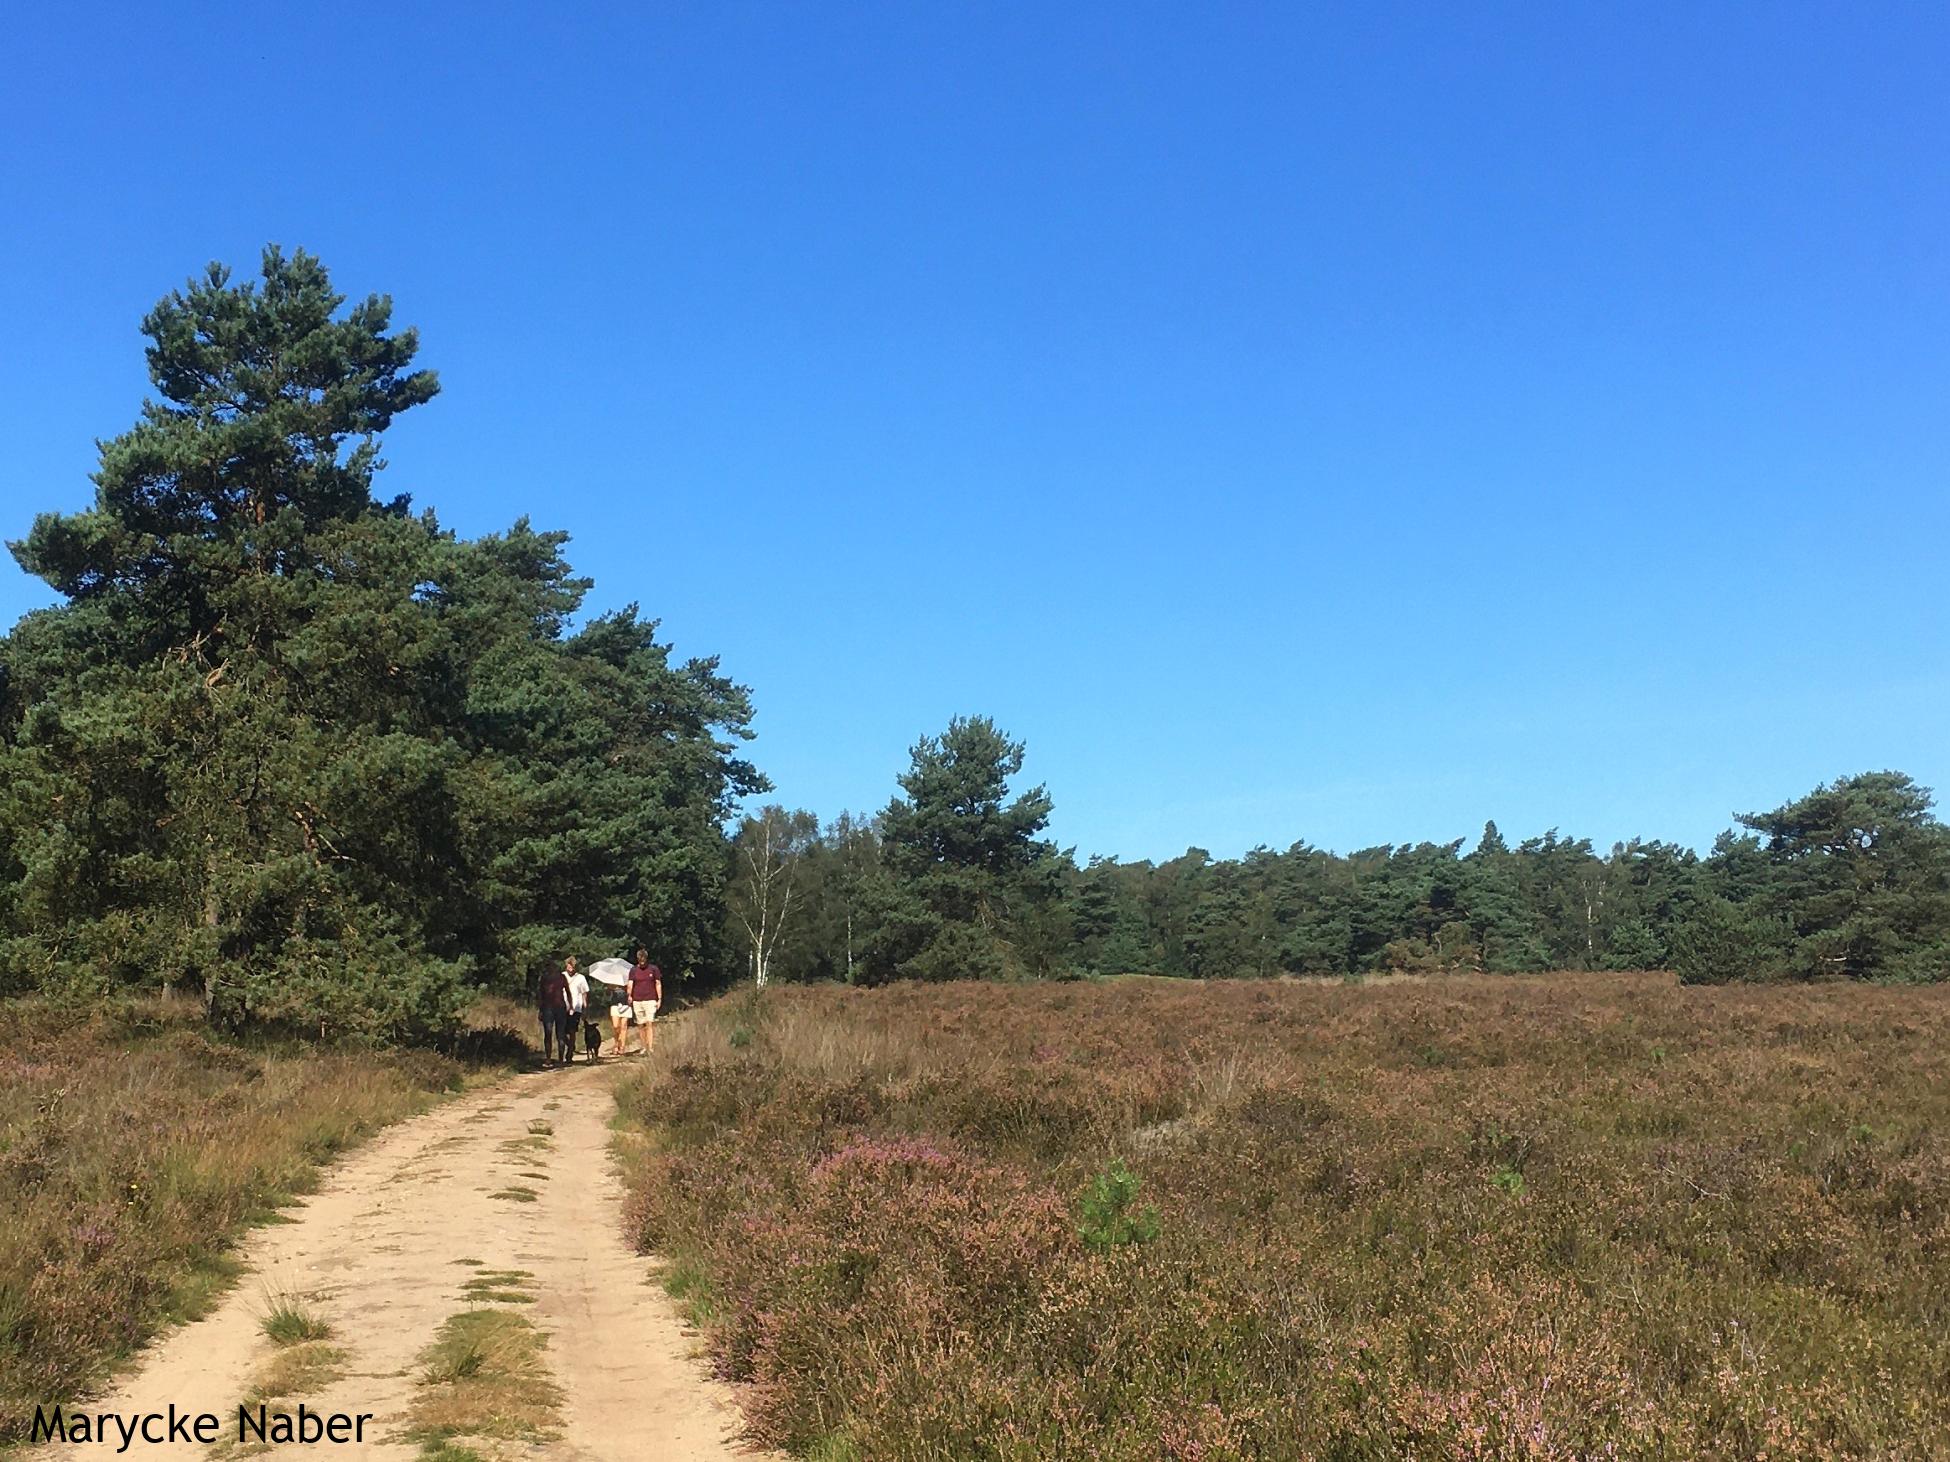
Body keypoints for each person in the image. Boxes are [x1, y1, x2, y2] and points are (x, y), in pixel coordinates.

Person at [535, 961, 572, 1066]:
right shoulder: (545, 978)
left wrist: (570, 1005)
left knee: (559, 1034)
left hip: (558, 1008)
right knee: (549, 1033)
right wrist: (540, 1009)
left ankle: (560, 1059)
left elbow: (568, 991)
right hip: (549, 1008)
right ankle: (549, 1058)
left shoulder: (561, 977)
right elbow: (540, 994)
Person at [627, 948, 662, 1055]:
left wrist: (659, 998)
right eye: (640, 960)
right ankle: (643, 1046)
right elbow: (630, 983)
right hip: (637, 1000)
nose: (642, 962)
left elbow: (658, 984)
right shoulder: (633, 970)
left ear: (646, 959)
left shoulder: (653, 969)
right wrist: (629, 995)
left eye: (643, 959)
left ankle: (650, 1047)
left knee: (649, 1023)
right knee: (640, 1024)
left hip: (650, 999)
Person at [563, 956, 590, 1061]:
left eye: (572, 966)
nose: (570, 968)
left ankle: (569, 1053)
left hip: (576, 1008)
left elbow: (584, 994)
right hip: (563, 1007)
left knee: (572, 1031)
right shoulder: (562, 976)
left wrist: (585, 1008)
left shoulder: (581, 978)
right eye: (569, 966)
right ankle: (570, 1045)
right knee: (561, 1031)